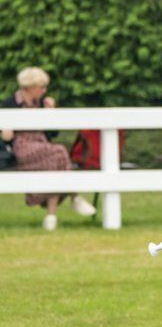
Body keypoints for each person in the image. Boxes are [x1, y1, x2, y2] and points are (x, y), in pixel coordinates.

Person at [1, 67, 96, 230]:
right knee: (58, 152)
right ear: (30, 87)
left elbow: (53, 132)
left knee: (55, 162)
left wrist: (50, 113)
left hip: (43, 144)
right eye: (41, 87)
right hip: (22, 147)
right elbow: (5, 138)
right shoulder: (9, 104)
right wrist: (5, 134)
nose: (44, 90)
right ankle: (74, 197)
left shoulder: (42, 104)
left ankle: (51, 217)